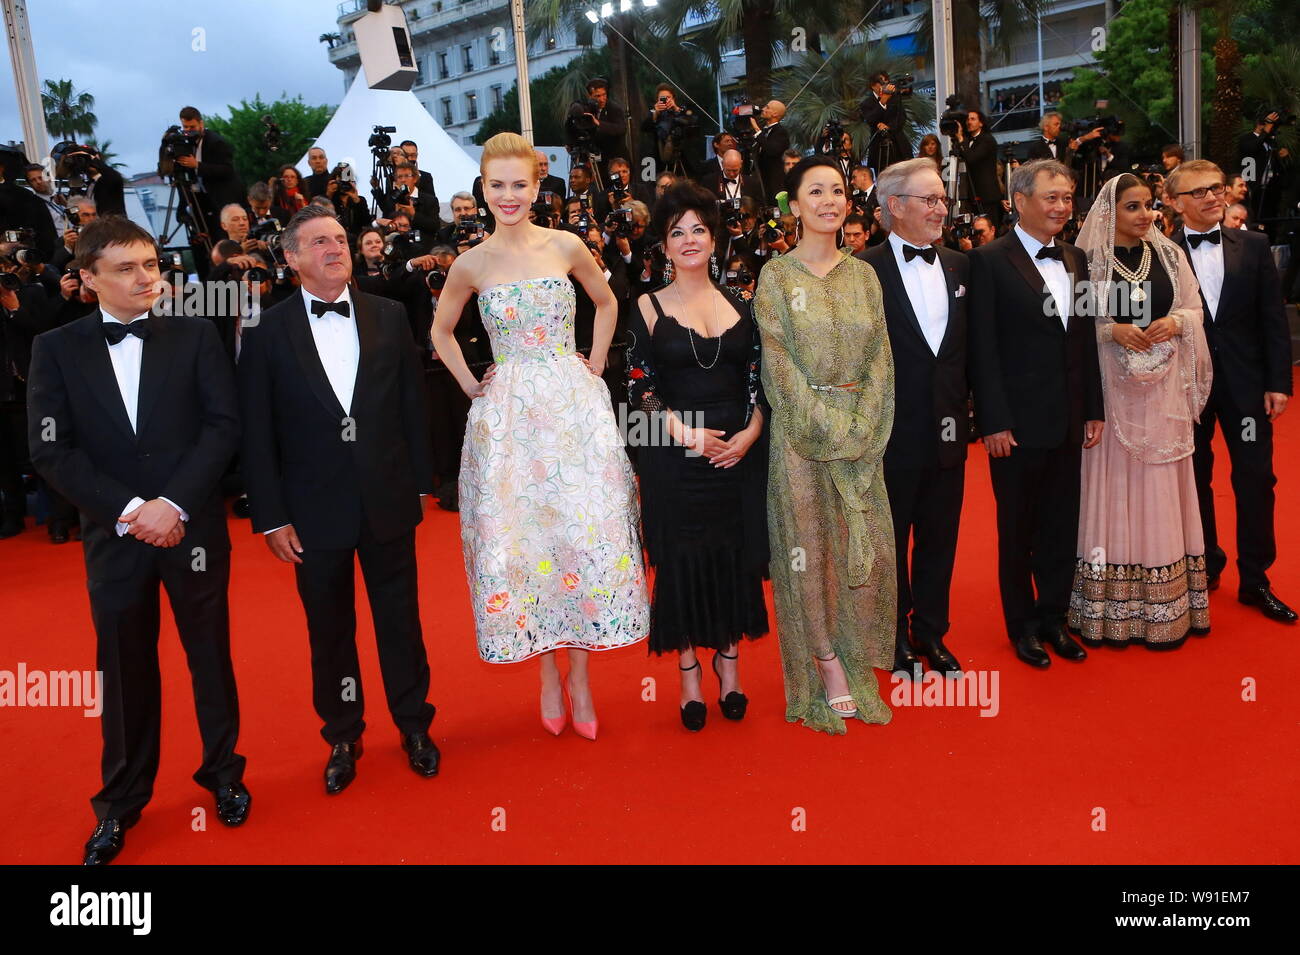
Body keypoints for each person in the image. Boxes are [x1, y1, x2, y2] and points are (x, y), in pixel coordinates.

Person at [26, 216, 249, 863]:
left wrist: (172, 502)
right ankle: (121, 801)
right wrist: (131, 509)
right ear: (87, 278)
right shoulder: (56, 349)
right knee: (123, 670)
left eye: (151, 264)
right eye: (126, 268)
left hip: (192, 527)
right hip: (115, 536)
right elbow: (50, 447)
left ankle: (225, 774)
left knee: (210, 655)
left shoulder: (195, 334)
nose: (145, 277)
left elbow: (222, 424)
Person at [430, 132, 649, 740]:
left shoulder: (567, 245)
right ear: (483, 188)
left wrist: (596, 362)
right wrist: (473, 386)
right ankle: (547, 675)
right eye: (496, 185)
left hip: (573, 410)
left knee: (581, 534)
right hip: (508, 423)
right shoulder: (471, 263)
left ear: (536, 185)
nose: (508, 195)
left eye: (519, 184)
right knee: (525, 542)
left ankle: (580, 679)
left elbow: (608, 303)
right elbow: (441, 332)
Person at [238, 205, 440, 794]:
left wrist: (421, 483)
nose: (334, 249)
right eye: (318, 242)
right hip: (310, 510)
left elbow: (411, 403)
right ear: (292, 258)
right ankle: (343, 735)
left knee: (400, 622)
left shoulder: (390, 314)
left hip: (386, 499)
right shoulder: (267, 331)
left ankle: (414, 725)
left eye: (340, 239)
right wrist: (270, 515)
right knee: (329, 631)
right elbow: (257, 431)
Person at [753, 155, 896, 734]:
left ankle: (856, 650)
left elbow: (881, 361)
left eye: (837, 190)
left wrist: (862, 428)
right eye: (816, 191)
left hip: (863, 438)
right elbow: (778, 367)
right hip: (800, 442)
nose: (831, 201)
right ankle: (827, 663)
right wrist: (830, 429)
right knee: (807, 551)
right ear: (795, 204)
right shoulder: (777, 278)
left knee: (863, 551)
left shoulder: (865, 275)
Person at [625, 182, 769, 731]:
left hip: (736, 456)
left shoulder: (742, 305)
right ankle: (689, 676)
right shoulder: (647, 306)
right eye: (676, 232)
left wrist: (753, 432)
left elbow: (759, 381)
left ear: (714, 238)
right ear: (664, 245)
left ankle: (729, 671)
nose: (688, 240)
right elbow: (635, 392)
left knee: (732, 558)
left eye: (698, 230)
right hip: (676, 460)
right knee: (683, 564)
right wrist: (685, 435)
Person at [1068, 172, 1215, 648]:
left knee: (1160, 485)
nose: (1145, 214)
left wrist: (1176, 322)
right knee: (1113, 482)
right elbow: (1071, 326)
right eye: (1133, 206)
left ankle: (1168, 607)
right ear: (1111, 211)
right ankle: (1111, 608)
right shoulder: (1087, 261)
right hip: (1111, 392)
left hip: (1164, 391)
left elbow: (1194, 310)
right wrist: (1110, 331)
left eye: (1149, 205)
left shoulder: (1170, 255)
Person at [968, 159, 1105, 668]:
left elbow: (1085, 335)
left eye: (1067, 197)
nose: (1062, 207)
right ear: (1019, 201)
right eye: (1051, 197)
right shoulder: (987, 261)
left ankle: (1055, 619)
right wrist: (994, 420)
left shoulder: (1077, 258)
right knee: (1018, 531)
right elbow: (983, 349)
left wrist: (1093, 407)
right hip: (1017, 425)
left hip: (1069, 419)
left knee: (1060, 527)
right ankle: (1021, 626)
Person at [1169, 160, 1295, 623]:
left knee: (1256, 481)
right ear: (1176, 202)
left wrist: (1279, 382)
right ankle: (1207, 563)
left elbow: (1273, 319)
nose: (1212, 197)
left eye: (1217, 189)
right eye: (1198, 191)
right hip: (1186, 391)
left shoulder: (1255, 246)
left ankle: (1256, 579)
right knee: (1194, 481)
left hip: (1246, 388)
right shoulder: (1161, 253)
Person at [861, 158, 970, 677]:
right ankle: (894, 637)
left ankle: (931, 632)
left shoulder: (960, 265)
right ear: (895, 207)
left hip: (950, 430)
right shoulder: (861, 272)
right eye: (929, 199)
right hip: (888, 434)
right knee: (890, 540)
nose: (940, 208)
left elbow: (976, 353)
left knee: (940, 538)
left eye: (942, 199)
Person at [952, 110, 1004, 226]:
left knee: (989, 229)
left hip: (987, 195)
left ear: (981, 123)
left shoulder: (987, 140)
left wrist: (960, 138)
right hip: (972, 194)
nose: (969, 122)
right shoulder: (968, 141)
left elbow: (971, 158)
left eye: (973, 119)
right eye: (967, 119)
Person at [858, 72, 913, 174]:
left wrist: (888, 127)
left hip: (898, 145)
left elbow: (901, 118)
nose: (885, 86)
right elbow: (870, 120)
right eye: (881, 83)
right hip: (879, 149)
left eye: (886, 83)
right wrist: (882, 102)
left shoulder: (895, 97)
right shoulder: (866, 103)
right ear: (873, 85)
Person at [751, 100, 791, 206]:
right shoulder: (763, 132)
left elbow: (772, 150)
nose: (763, 109)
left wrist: (756, 129)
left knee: (776, 216)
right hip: (760, 182)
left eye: (767, 107)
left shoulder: (781, 132)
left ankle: (773, 223)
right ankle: (767, 223)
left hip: (775, 184)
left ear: (775, 114)